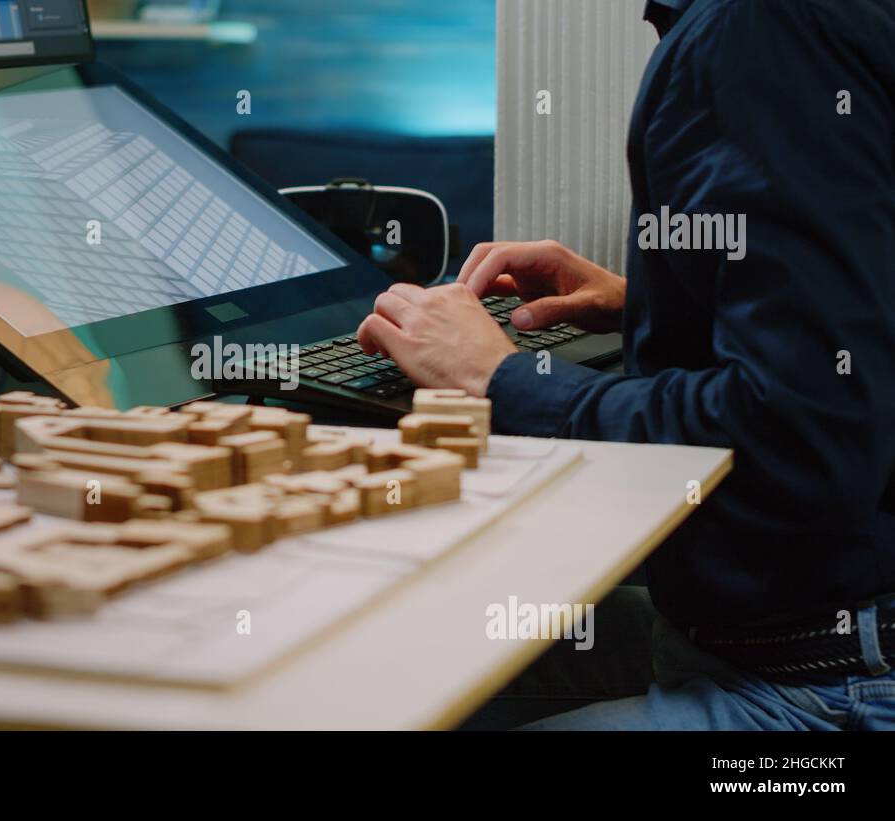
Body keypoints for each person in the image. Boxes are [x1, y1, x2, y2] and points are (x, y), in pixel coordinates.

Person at [358, 0, 895, 729]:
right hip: (809, 642)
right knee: (418, 655)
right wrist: (656, 295)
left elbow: (803, 436)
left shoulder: (762, 27)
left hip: (818, 688)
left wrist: (499, 377)